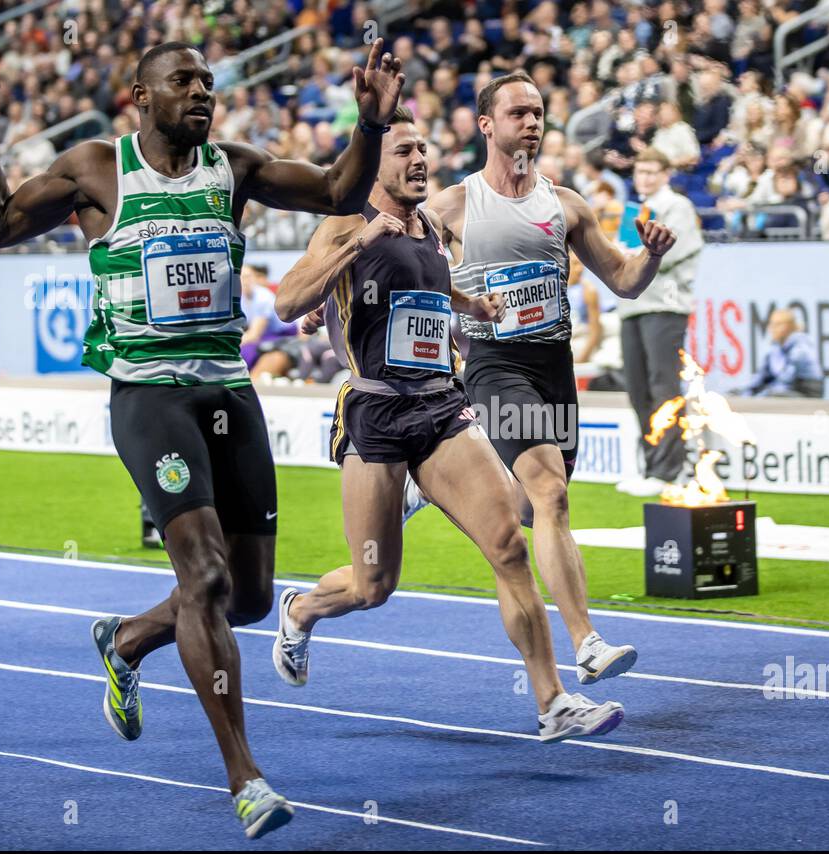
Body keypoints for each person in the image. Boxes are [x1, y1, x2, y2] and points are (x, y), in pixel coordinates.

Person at [0, 40, 406, 837]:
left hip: (226, 389)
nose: (202, 93)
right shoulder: (95, 170)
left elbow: (339, 189)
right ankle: (246, 778)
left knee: (252, 596)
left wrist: (370, 122)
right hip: (149, 396)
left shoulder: (233, 167)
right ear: (140, 96)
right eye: (183, 82)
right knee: (202, 576)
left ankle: (126, 640)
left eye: (208, 82)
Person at [271, 108, 624, 741]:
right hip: (376, 415)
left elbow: (427, 286)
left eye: (422, 149)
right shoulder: (345, 223)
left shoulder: (432, 225)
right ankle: (300, 609)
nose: (419, 161)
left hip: (439, 407)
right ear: (372, 164)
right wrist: (352, 251)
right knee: (374, 584)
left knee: (509, 546)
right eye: (403, 151)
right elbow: (287, 302)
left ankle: (553, 702)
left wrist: (469, 303)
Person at [421, 72, 679, 684]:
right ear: (487, 125)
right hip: (495, 364)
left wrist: (653, 254)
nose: (532, 122)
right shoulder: (454, 205)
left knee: (532, 508)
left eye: (539, 112)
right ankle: (586, 641)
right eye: (518, 112)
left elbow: (622, 280)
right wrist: (336, 302)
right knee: (551, 492)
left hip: (552, 364)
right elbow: (399, 263)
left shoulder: (565, 204)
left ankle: (431, 489)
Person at [614, 147, 705, 497]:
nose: (646, 178)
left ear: (666, 174)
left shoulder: (677, 206)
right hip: (634, 306)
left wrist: (630, 256)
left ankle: (670, 470)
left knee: (662, 386)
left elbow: (667, 253)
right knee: (638, 389)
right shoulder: (634, 210)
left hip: (665, 306)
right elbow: (624, 256)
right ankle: (653, 466)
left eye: (653, 172)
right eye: (641, 172)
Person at [742, 308, 824, 398]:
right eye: (771, 324)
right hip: (787, 390)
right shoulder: (775, 349)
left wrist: (760, 396)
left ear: (788, 327)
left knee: (771, 395)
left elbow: (785, 381)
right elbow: (760, 377)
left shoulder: (801, 348)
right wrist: (746, 393)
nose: (771, 328)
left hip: (807, 393)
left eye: (776, 325)